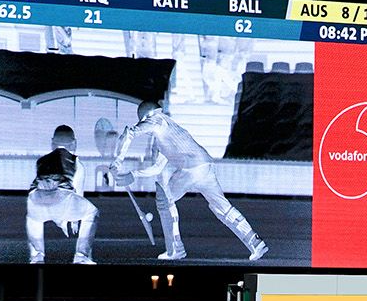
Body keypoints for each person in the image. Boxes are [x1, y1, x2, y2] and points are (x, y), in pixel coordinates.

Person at [112, 100, 268, 261]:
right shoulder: (166, 133)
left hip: (191, 168)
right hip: (205, 166)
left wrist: (117, 162)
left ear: (146, 117)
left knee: (164, 199)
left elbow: (130, 133)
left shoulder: (157, 120)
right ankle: (255, 242)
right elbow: (157, 168)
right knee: (222, 208)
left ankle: (175, 249)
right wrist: (132, 175)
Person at [26, 125, 98, 265]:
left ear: (52, 142)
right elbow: (78, 194)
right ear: (74, 143)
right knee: (92, 212)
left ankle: (37, 255)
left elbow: (44, 188)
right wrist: (73, 220)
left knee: (33, 218)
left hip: (35, 199)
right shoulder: (76, 162)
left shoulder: (41, 161)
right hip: (61, 197)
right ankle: (81, 255)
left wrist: (61, 219)